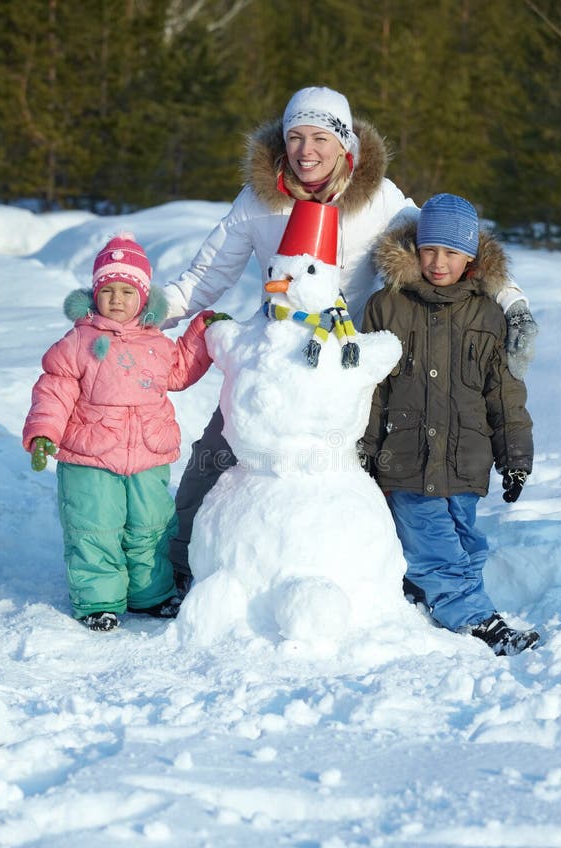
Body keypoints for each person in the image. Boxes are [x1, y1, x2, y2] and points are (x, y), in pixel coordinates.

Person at [164, 86, 538, 591]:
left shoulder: (379, 199)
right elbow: (204, 278)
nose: (306, 151)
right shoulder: (259, 201)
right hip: (275, 358)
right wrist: (139, 313)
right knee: (216, 452)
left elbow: (450, 245)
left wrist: (512, 303)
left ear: (345, 146)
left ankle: (383, 575)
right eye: (295, 137)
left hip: (347, 366)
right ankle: (179, 569)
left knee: (370, 467)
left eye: (320, 137)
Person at [360, 193, 539, 656]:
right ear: (415, 248)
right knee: (436, 545)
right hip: (405, 459)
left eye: (452, 253)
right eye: (429, 249)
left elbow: (504, 393)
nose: (439, 262)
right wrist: (363, 445)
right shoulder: (387, 306)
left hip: (466, 459)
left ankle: (434, 593)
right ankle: (478, 619)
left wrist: (515, 457)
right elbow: (371, 389)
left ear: (471, 258)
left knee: (466, 541)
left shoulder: (487, 314)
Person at [22, 232, 222, 631]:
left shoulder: (156, 342)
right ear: (94, 294)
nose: (117, 299)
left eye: (127, 291)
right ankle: (99, 601)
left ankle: (150, 594)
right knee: (95, 527)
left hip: (147, 454)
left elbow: (180, 371)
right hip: (90, 456)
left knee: (151, 526)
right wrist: (45, 431)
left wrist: (200, 331)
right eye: (108, 289)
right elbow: (55, 388)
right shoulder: (79, 341)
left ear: (144, 298)